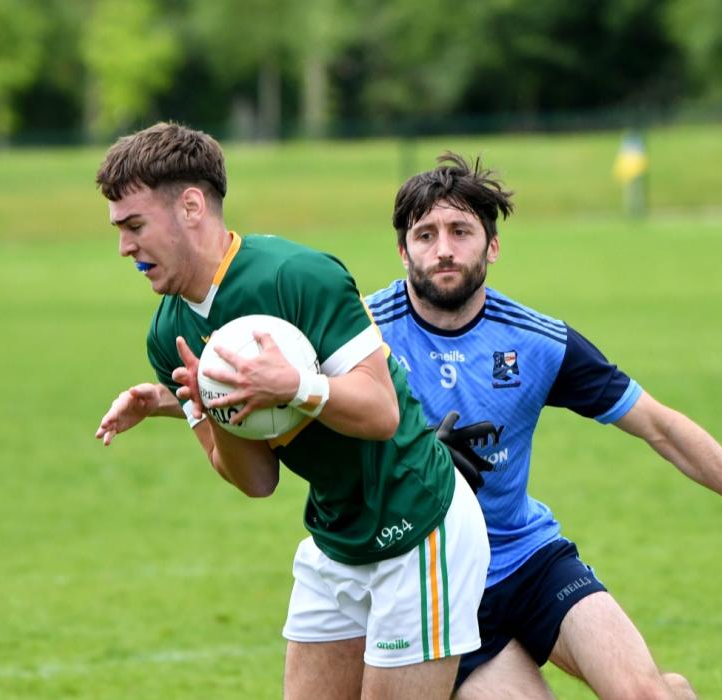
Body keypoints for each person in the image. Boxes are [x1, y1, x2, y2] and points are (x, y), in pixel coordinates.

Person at [100, 151, 722, 700]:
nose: (443, 250)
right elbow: (283, 400)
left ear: (492, 246)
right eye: (425, 234)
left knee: (647, 695)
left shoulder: (538, 342)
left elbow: (660, 426)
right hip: (433, 563)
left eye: (461, 232)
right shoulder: (362, 331)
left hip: (526, 557)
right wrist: (187, 401)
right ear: (402, 250)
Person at [93, 123, 489, 699]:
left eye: (135, 226)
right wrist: (211, 405)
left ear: (192, 207)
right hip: (336, 536)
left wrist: (295, 386)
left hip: (419, 521)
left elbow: (381, 412)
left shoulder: (297, 277)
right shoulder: (168, 335)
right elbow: (256, 480)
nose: (125, 248)